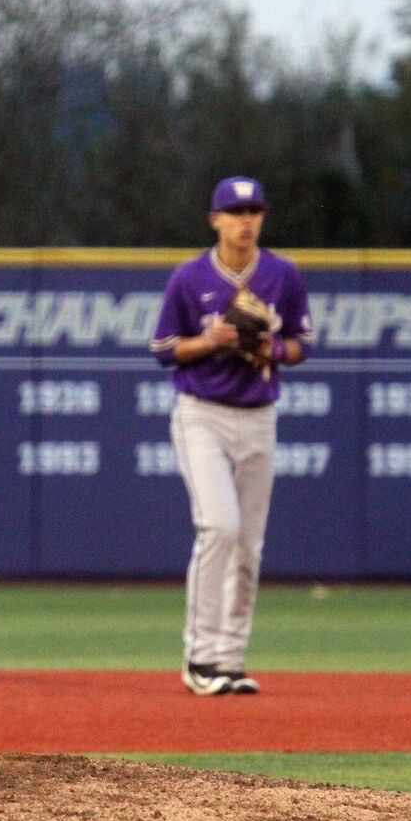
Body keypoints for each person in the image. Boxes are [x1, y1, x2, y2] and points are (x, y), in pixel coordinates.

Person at [150, 176, 315, 696]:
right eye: (236, 212)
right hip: (202, 414)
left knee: (248, 546)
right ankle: (200, 658)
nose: (246, 221)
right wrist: (210, 340)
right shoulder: (190, 277)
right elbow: (163, 349)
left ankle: (229, 659)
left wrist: (273, 350)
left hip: (259, 415)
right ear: (215, 220)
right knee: (219, 527)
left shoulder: (283, 275)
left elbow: (303, 343)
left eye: (254, 211)